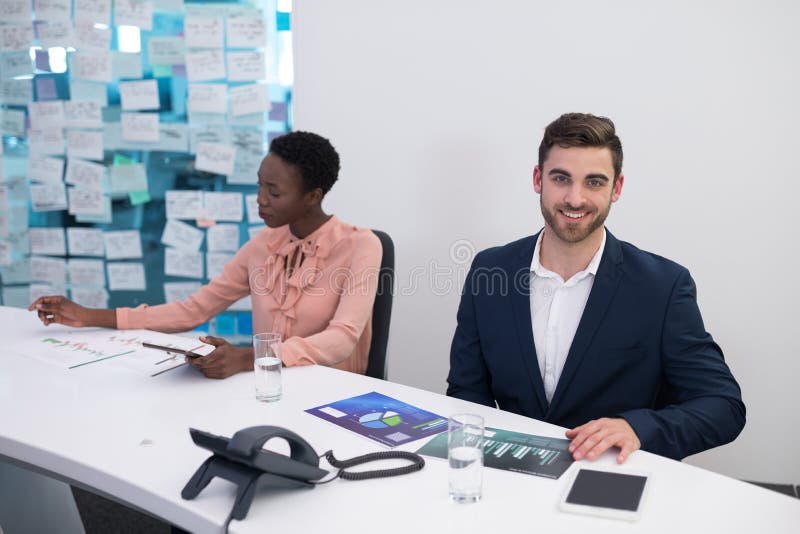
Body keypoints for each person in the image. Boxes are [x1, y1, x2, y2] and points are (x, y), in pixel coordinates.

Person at [446, 113, 745, 463]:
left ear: (616, 188)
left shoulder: (663, 287)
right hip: (509, 471)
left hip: (610, 477)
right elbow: (466, 391)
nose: (575, 199)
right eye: (561, 178)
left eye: (594, 182)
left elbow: (723, 406)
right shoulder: (489, 270)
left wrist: (637, 428)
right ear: (538, 179)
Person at [30, 131, 382, 378]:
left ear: (312, 196)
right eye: (259, 184)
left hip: (332, 397)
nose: (260, 199)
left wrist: (249, 357)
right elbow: (193, 311)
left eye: (274, 192)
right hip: (268, 387)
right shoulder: (265, 245)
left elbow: (341, 339)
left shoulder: (360, 245)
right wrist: (87, 315)